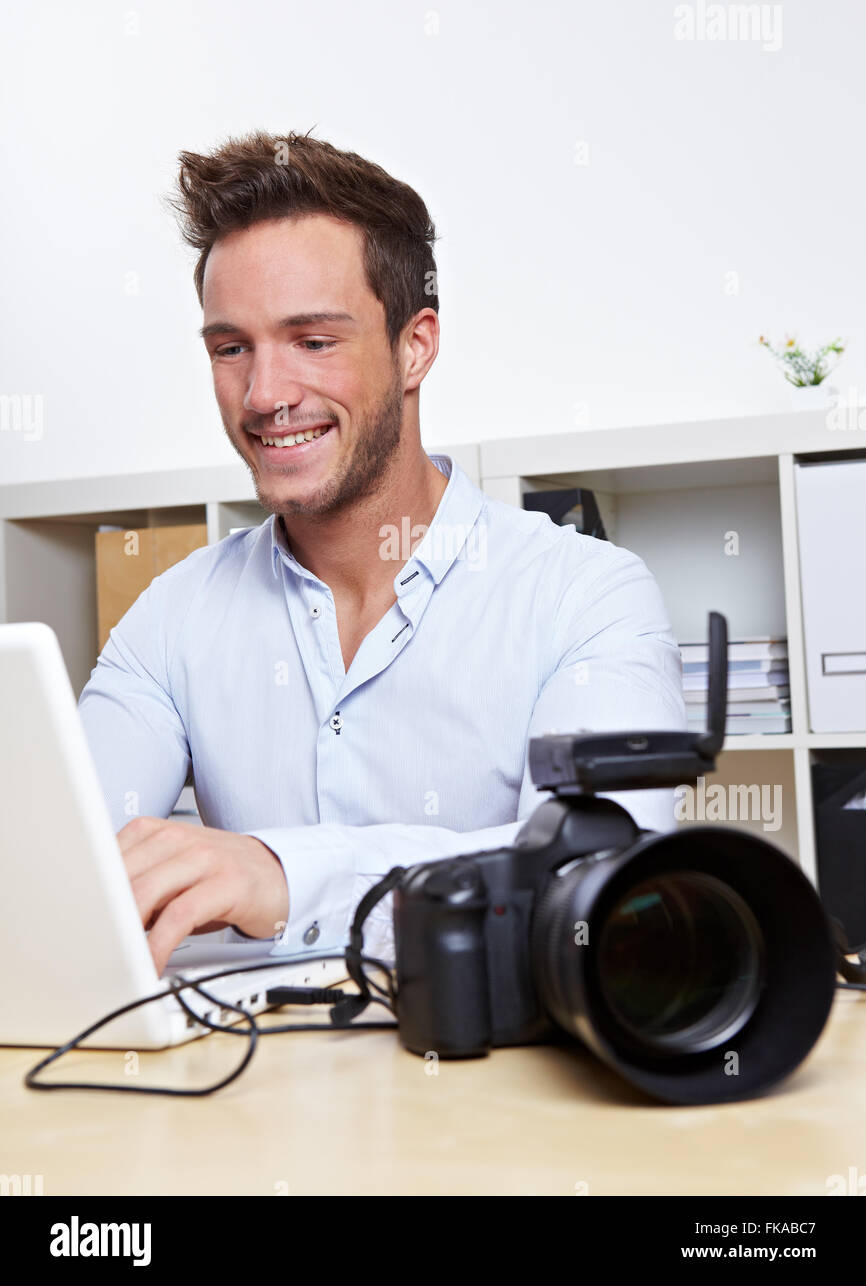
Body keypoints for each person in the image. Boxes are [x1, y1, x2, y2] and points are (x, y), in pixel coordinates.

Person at [78, 130, 687, 977]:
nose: (266, 395)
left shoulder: (586, 598)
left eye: (314, 341)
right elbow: (67, 878)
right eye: (231, 348)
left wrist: (287, 877)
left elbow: (596, 890)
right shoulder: (171, 620)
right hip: (242, 1100)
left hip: (499, 1100)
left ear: (415, 346)